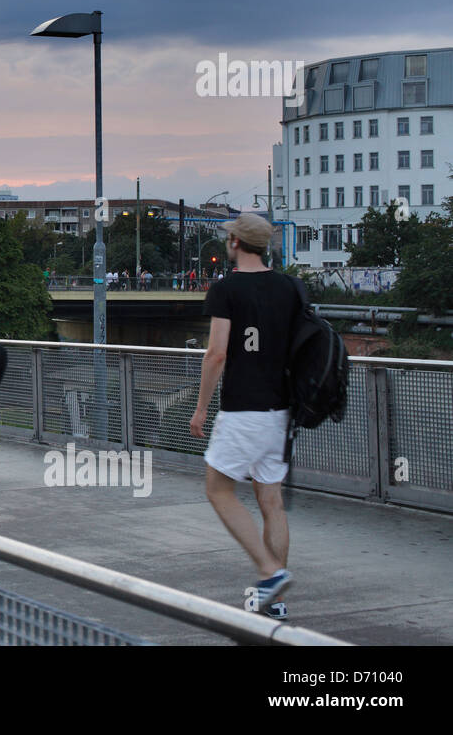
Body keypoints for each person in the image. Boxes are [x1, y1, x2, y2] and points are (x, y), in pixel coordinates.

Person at [189, 213, 297, 619]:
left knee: (218, 490)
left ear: (235, 242)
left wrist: (201, 408)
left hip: (242, 409)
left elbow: (217, 353)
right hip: (279, 411)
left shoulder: (227, 288)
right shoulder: (290, 287)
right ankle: (276, 601)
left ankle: (270, 573)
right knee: (271, 500)